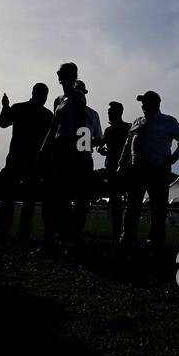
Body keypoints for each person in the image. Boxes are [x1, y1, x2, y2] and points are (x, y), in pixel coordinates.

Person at [116, 91, 179, 255]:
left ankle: (155, 240)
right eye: (142, 103)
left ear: (156, 104)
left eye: (146, 102)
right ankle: (128, 237)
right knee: (132, 205)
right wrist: (122, 165)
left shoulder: (168, 121)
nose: (143, 106)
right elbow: (128, 145)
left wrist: (174, 157)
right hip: (137, 169)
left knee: (158, 208)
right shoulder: (137, 121)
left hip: (158, 169)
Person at [35, 63, 88, 255]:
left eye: (64, 73)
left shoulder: (78, 96)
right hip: (56, 150)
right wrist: (42, 151)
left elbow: (83, 124)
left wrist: (83, 151)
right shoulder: (58, 100)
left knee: (65, 197)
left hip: (71, 149)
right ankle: (49, 239)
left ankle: (70, 239)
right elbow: (52, 128)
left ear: (72, 76)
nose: (60, 76)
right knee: (50, 196)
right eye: (59, 73)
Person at [0, 84, 53, 243]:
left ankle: (3, 229)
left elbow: (3, 122)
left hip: (16, 157)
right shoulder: (47, 115)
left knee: (9, 197)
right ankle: (23, 233)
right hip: (34, 162)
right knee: (29, 200)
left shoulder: (19, 108)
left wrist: (5, 106)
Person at [70, 81, 104, 244]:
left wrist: (89, 142)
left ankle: (76, 230)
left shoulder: (93, 114)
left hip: (83, 157)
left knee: (81, 197)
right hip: (68, 156)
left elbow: (98, 138)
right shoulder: (65, 110)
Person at [98, 101, 131, 242]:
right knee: (116, 203)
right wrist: (102, 150)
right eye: (109, 111)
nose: (109, 113)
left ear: (119, 112)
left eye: (111, 111)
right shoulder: (109, 130)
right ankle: (118, 231)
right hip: (112, 169)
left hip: (124, 169)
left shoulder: (127, 128)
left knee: (125, 203)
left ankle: (123, 231)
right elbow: (102, 145)